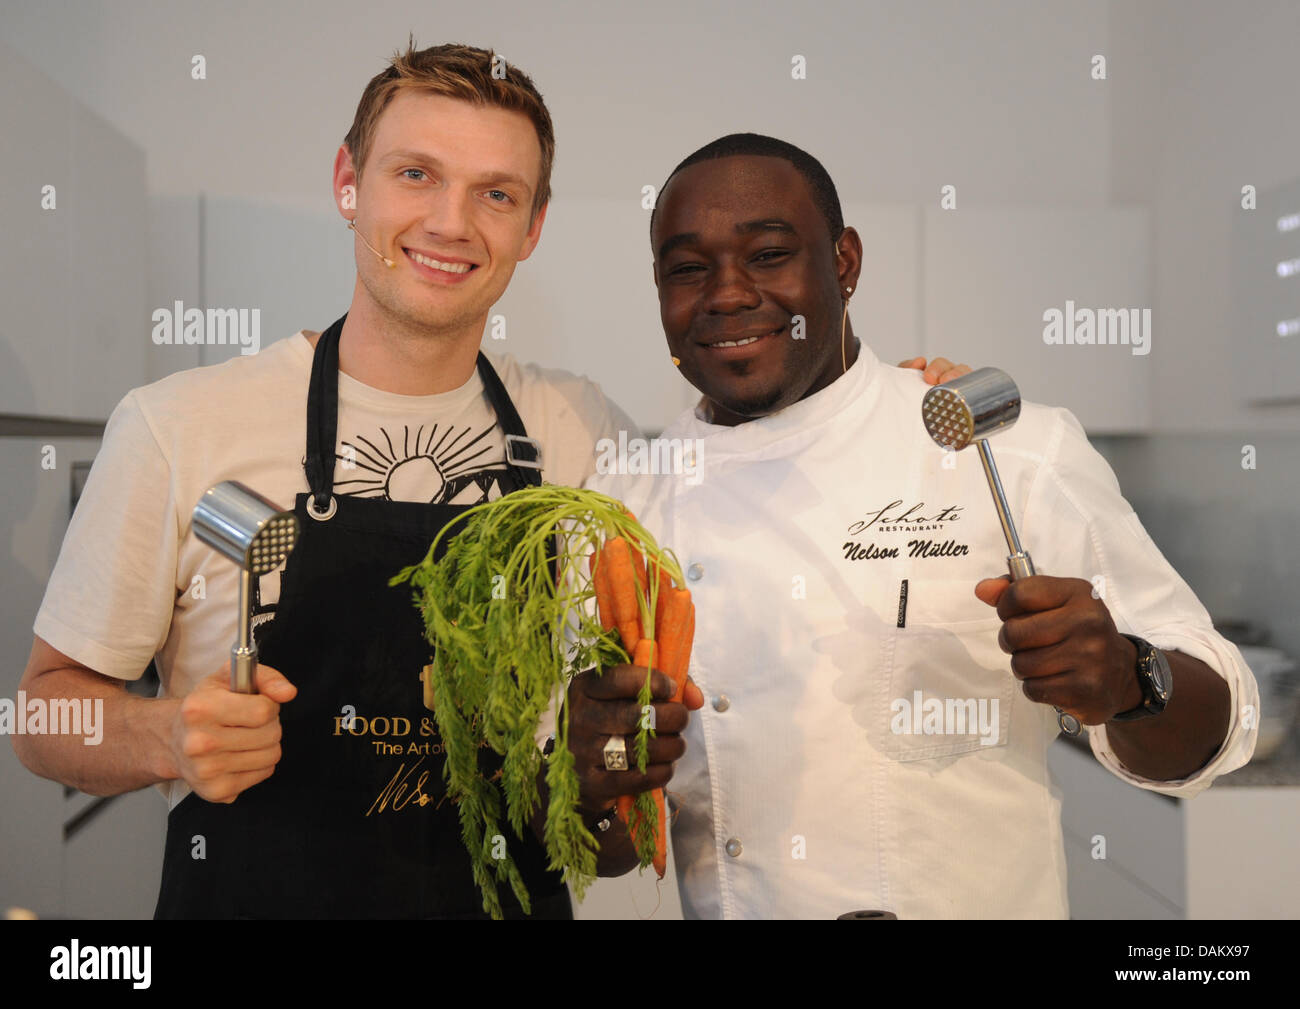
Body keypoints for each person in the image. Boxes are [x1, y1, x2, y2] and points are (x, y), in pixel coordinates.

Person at [9, 42, 967, 918]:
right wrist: (166, 737)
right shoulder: (180, 424)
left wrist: (882, 398)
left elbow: (750, 471)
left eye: (496, 194)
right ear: (350, 182)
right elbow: (44, 715)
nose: (449, 222)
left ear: (533, 226)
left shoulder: (581, 430)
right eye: (415, 173)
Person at [584, 133, 1259, 919]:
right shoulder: (625, 502)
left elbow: (1219, 727)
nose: (727, 294)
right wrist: (595, 780)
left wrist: (1130, 677)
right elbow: (609, 846)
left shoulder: (1006, 449)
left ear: (844, 263)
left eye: (768, 255)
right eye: (688, 269)